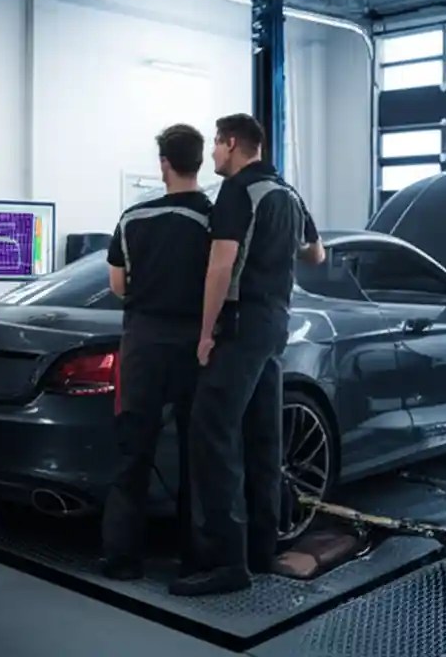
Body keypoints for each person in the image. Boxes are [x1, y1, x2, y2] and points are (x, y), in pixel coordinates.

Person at [169, 113, 325, 597]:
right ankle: (262, 549)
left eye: (217, 145)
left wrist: (205, 332)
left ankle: (226, 563)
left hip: (239, 328)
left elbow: (220, 266)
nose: (214, 154)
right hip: (275, 326)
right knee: (263, 439)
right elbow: (316, 254)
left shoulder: (237, 191)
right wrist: (276, 253)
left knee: (213, 437)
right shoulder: (287, 192)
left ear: (232, 143)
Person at [100, 123, 213, 580]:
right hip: (196, 344)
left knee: (133, 451)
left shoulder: (133, 218)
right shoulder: (214, 220)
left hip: (142, 343)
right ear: (200, 162)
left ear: (163, 163)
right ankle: (194, 559)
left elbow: (117, 285)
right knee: (197, 453)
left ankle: (121, 559)